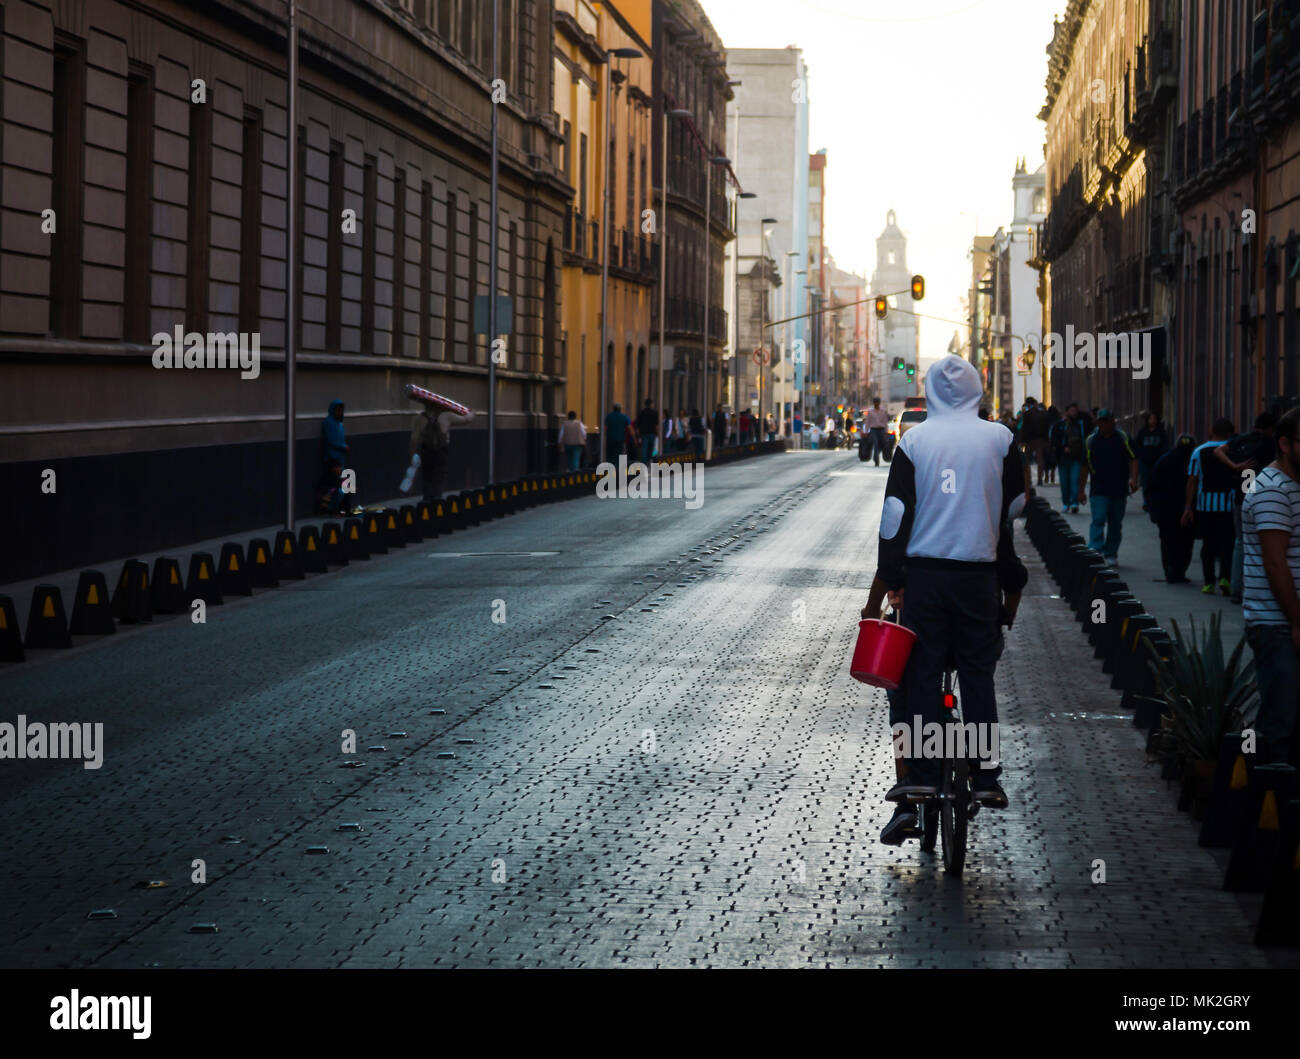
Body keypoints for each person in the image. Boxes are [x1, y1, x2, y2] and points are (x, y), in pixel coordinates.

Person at [872, 354, 1028, 839]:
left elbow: (895, 516)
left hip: (925, 580)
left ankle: (920, 779)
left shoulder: (915, 441)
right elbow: (1018, 506)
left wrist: (891, 576)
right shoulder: (1000, 439)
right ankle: (985, 778)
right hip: (979, 579)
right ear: (977, 390)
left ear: (932, 390)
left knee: (922, 675)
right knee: (978, 675)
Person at [1241, 406, 1300, 767]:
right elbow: (1275, 562)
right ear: (1285, 443)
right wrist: (1296, 622)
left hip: (1290, 625)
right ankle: (1263, 807)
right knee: (1280, 722)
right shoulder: (1272, 490)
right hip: (1278, 627)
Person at [1216, 412, 1277, 603]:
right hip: (1262, 497)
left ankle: (1236, 588)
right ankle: (1255, 587)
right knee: (1264, 543)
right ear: (1271, 428)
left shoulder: (1241, 439)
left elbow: (1217, 451)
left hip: (1241, 497)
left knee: (1239, 543)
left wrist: (1234, 466)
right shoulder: (1269, 444)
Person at [1182, 417, 1238, 594]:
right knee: (1228, 544)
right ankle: (1225, 578)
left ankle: (1208, 581)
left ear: (1211, 431)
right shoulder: (1234, 449)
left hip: (1205, 505)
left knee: (1208, 545)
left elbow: (1192, 480)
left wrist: (1188, 507)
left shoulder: (1199, 451)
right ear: (1229, 433)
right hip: (1228, 505)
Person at [1078, 408, 1139, 567]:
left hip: (1119, 489)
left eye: (1107, 421)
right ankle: (1096, 550)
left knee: (1115, 523)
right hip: (1098, 489)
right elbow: (1084, 467)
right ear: (1097, 422)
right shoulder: (1091, 440)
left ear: (1113, 421)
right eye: (1101, 421)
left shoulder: (1123, 438)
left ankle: (1111, 553)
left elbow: (1133, 459)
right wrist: (1080, 490)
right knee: (1098, 519)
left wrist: (1134, 479)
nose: (1104, 424)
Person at [1147, 434, 1198, 583]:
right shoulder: (1193, 460)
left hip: (1166, 509)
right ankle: (1179, 571)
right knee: (1186, 542)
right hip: (1186, 510)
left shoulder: (1164, 460)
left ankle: (1170, 571)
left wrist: (1152, 508)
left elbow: (1152, 485)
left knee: (1168, 542)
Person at [410, 399, 474, 502]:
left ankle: (426, 501)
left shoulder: (420, 418)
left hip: (426, 451)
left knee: (427, 477)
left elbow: (414, 439)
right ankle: (437, 499)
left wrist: (412, 454)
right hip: (441, 452)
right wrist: (470, 412)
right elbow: (466, 420)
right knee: (439, 477)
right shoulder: (446, 416)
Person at [1050, 401, 1092, 513]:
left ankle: (1074, 502)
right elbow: (1054, 440)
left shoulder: (1081, 424)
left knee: (1074, 480)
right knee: (1064, 482)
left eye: (1076, 411)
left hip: (1076, 457)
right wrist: (1062, 447)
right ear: (1067, 411)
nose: (1074, 413)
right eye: (1072, 410)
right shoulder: (1059, 425)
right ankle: (1066, 502)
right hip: (1063, 458)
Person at [1134, 412, 1170, 511]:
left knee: (1156, 482)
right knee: (1146, 483)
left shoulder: (1161, 432)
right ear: (1147, 420)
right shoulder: (1143, 432)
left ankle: (1155, 501)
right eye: (1150, 419)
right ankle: (1146, 502)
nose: (1152, 421)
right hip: (1145, 461)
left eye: (1154, 419)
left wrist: (1163, 457)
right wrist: (1140, 455)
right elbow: (1137, 444)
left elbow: (1165, 445)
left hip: (1157, 461)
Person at [1015, 396, 1050, 486]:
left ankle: (1028, 479)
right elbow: (1047, 427)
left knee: (1027, 460)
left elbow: (1024, 428)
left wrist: (1022, 440)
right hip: (1040, 439)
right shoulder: (1043, 413)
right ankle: (1039, 479)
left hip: (1030, 440)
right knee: (1040, 459)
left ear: (1027, 403)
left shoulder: (1027, 414)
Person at [864, 397, 890, 466]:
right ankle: (876, 459)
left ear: (879, 403)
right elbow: (868, 422)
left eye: (877, 402)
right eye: (875, 402)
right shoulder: (870, 411)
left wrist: (886, 431)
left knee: (882, 445)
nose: (876, 404)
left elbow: (885, 422)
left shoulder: (883, 411)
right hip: (873, 430)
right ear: (873, 403)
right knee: (875, 444)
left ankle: (877, 454)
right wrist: (866, 432)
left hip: (881, 430)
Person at [635, 399, 659, 464]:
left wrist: (638, 431)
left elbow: (638, 423)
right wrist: (657, 432)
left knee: (644, 447)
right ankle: (649, 459)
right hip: (652, 433)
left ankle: (644, 461)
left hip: (644, 433)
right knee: (651, 447)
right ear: (651, 404)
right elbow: (656, 424)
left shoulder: (642, 412)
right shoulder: (654, 412)